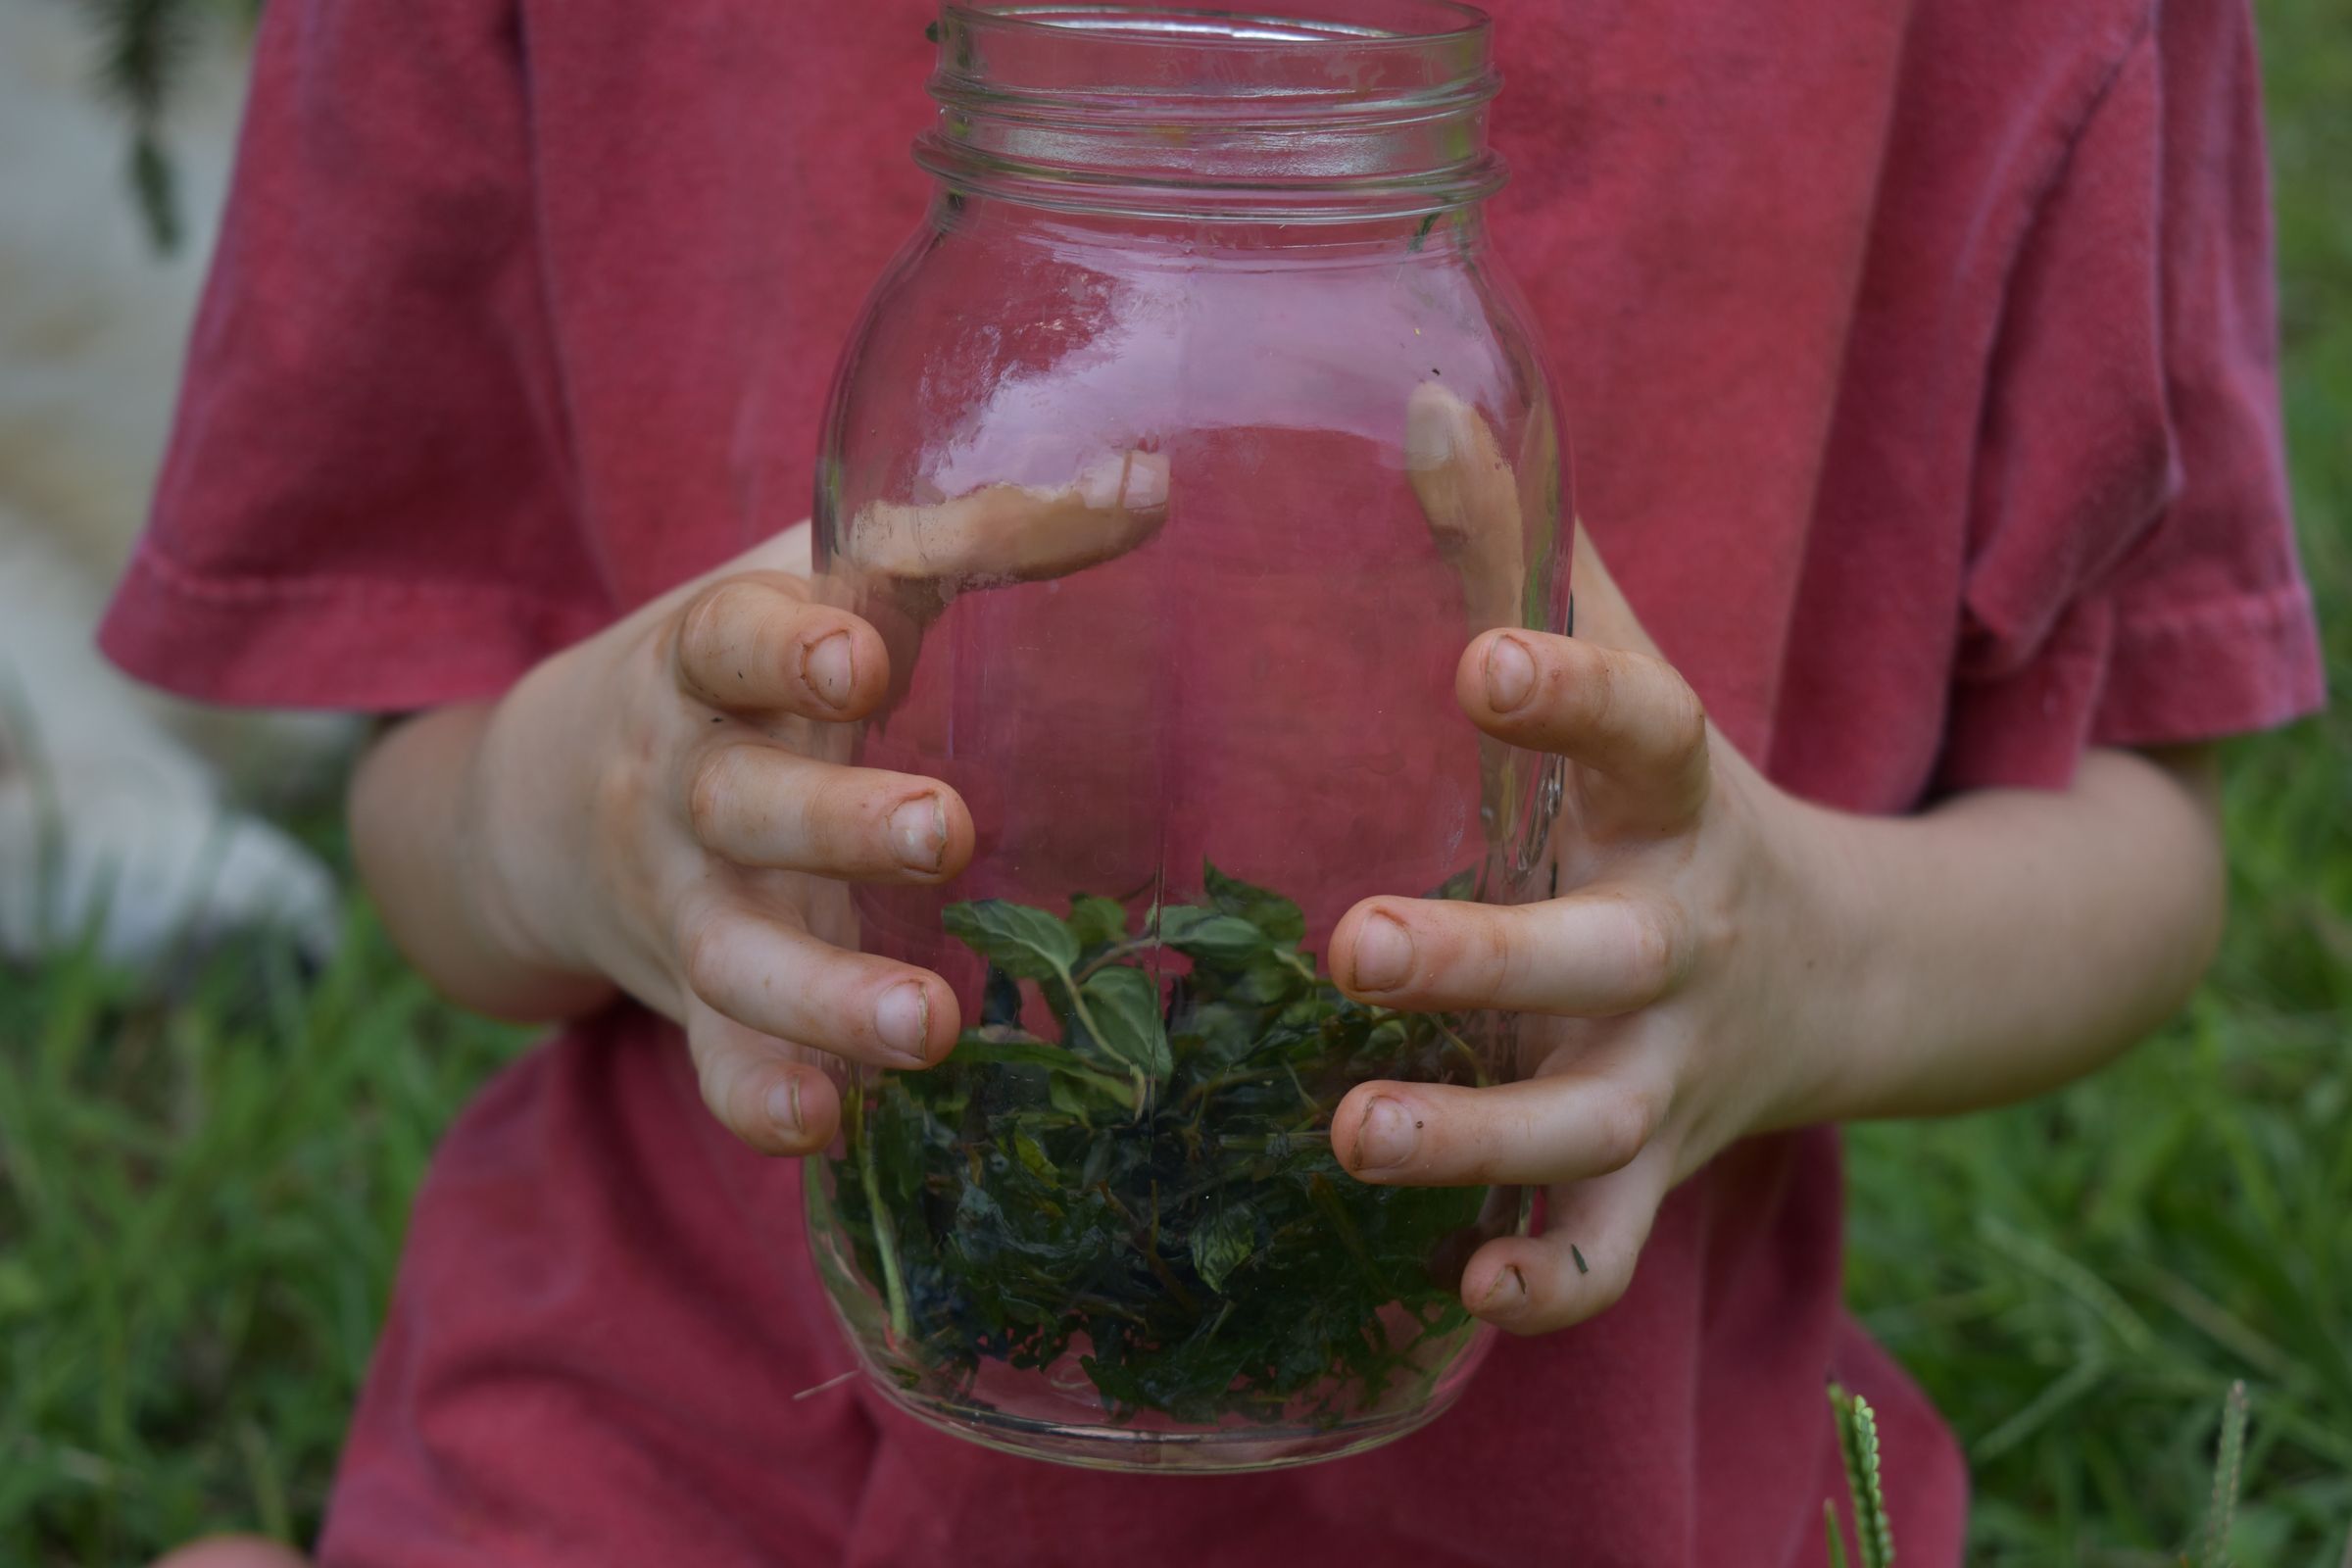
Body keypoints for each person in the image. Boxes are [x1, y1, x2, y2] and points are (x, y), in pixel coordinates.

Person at [114, 0, 2322, 1563]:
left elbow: (2139, 843)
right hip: (666, 1467)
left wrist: (1801, 960)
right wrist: (564, 815)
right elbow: (416, 798)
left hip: (1578, 1503)